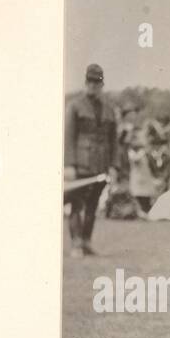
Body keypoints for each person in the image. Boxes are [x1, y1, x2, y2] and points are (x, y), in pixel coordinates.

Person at [63, 63, 118, 257]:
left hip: (101, 164)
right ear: (85, 82)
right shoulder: (75, 106)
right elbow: (68, 137)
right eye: (90, 81)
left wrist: (113, 166)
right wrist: (69, 165)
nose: (93, 85)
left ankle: (86, 241)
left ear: (102, 84)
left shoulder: (110, 110)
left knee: (93, 205)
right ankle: (76, 243)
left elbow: (114, 141)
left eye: (97, 82)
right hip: (81, 163)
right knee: (77, 203)